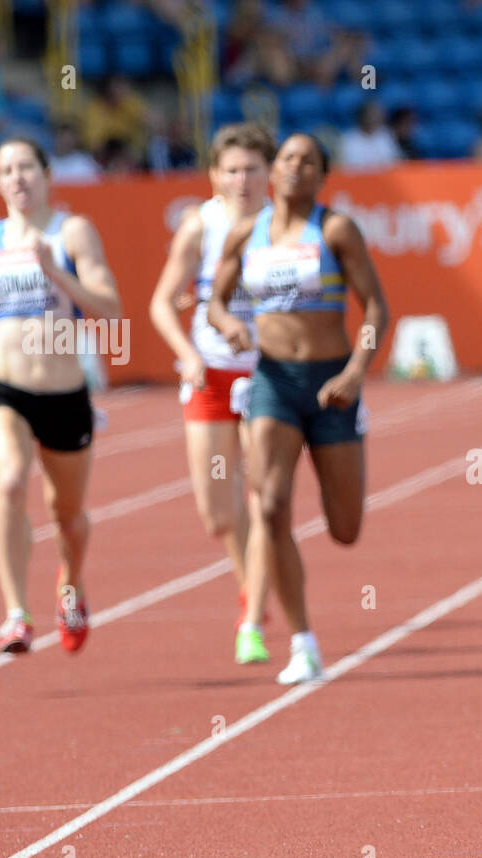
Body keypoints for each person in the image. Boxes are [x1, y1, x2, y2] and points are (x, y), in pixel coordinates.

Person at [0, 137, 122, 654]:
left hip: (64, 394)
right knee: (10, 480)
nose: (17, 177)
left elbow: (109, 307)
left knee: (69, 517)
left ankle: (70, 584)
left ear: (47, 174)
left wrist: (57, 273)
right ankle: (16, 614)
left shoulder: (72, 231)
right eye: (6, 169)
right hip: (5, 386)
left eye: (27, 166)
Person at [209, 133, 388, 685]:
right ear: (273, 171)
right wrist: (229, 323)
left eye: (308, 160)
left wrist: (356, 371)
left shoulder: (335, 230)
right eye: (287, 158)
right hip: (273, 382)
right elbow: (213, 301)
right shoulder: (247, 233)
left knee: (345, 528)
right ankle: (302, 642)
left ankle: (302, 635)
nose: (295, 167)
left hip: (331, 382)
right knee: (268, 506)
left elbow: (377, 305)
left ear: (322, 174)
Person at [149, 122, 274, 663]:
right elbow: (160, 302)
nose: (242, 179)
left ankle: (253, 614)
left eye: (251, 169)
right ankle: (252, 582)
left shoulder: (284, 225)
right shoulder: (201, 226)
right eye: (232, 170)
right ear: (214, 176)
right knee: (217, 514)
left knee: (263, 495)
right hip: (209, 376)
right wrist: (188, 353)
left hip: (267, 375)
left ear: (269, 172)